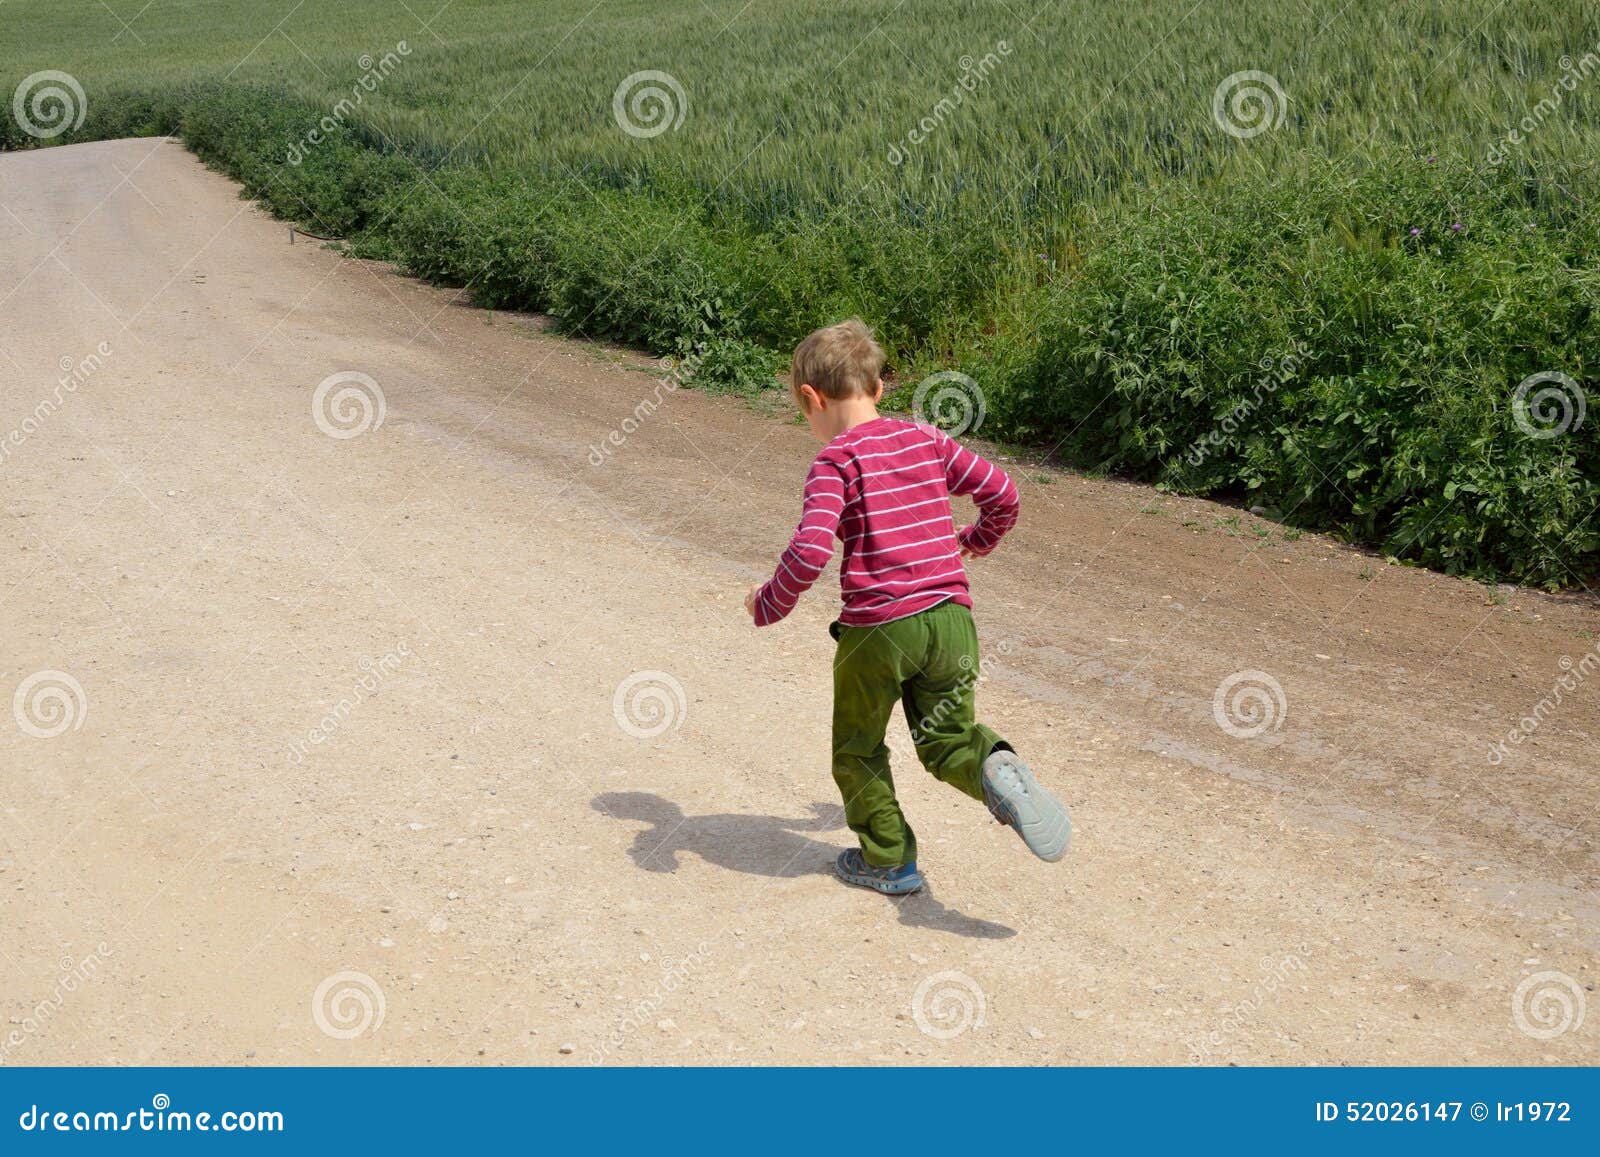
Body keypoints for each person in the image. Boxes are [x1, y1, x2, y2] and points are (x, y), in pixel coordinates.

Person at [744, 319, 1070, 896]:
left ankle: (889, 861)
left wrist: (768, 603)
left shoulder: (835, 462)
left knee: (858, 749)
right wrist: (975, 542)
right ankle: (992, 766)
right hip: (952, 620)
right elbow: (1003, 494)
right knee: (947, 742)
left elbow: (814, 545)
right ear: (877, 389)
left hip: (878, 633)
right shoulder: (928, 439)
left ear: (809, 398)